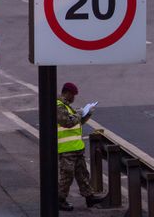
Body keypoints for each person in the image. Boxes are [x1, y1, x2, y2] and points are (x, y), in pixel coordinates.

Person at [56, 82, 104, 211]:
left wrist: (87, 114)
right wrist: (79, 113)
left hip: (76, 147)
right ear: (67, 93)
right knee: (67, 175)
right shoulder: (59, 106)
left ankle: (89, 198)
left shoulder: (67, 107)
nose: (74, 98)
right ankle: (60, 200)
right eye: (73, 95)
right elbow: (67, 122)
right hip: (66, 149)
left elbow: (78, 123)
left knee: (82, 174)